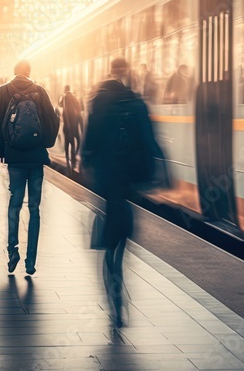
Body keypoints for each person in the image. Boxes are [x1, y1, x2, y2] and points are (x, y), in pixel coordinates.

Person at [81, 57, 160, 329]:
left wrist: (88, 167)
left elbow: (89, 142)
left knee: (109, 238)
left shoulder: (99, 101)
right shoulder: (136, 102)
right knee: (122, 232)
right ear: (126, 74)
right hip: (129, 180)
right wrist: (154, 172)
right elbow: (149, 140)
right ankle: (118, 273)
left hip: (107, 179)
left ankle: (115, 292)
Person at [0, 60, 59, 275]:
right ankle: (31, 261)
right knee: (34, 209)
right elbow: (53, 120)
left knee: (15, 205)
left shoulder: (3, 91)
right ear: (29, 72)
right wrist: (44, 142)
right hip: (36, 159)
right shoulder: (40, 91)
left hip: (14, 158)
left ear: (14, 72)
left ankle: (13, 251)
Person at [59, 85, 83, 172]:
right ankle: (73, 157)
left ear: (65, 89)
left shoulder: (64, 98)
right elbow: (80, 109)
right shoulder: (74, 98)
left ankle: (68, 159)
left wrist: (61, 96)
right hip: (74, 125)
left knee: (67, 142)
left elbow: (60, 104)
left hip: (67, 125)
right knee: (75, 141)